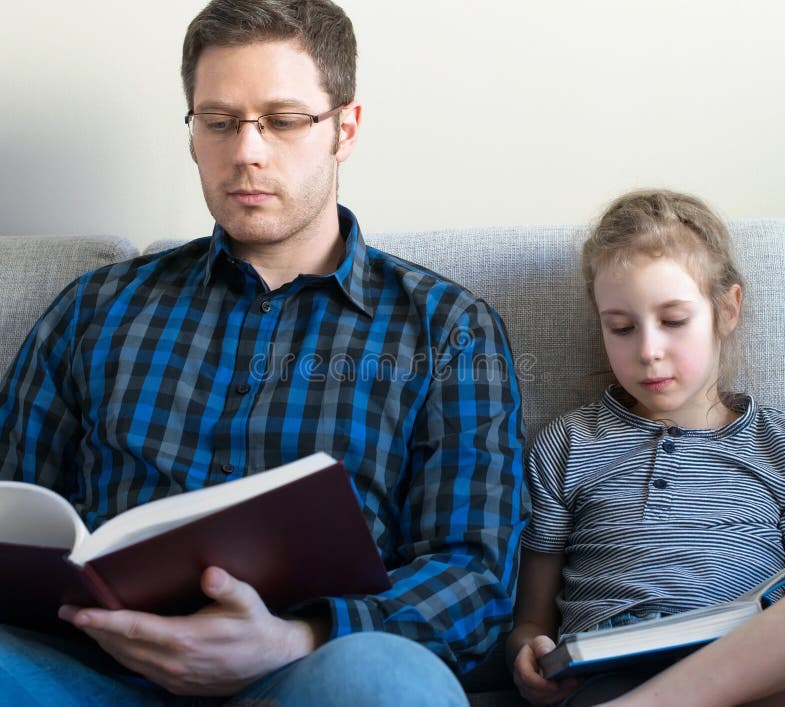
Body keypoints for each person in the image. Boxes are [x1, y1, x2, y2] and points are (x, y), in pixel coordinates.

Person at [0, 1, 527, 704]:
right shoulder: (95, 310)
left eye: (282, 121)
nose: (246, 150)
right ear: (193, 134)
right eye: (218, 122)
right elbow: (16, 513)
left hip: (308, 674)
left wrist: (294, 637)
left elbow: (474, 574)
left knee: (389, 681)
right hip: (90, 676)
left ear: (345, 129)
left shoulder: (448, 329)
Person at [506, 189, 785, 706]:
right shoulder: (569, 443)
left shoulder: (783, 445)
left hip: (748, 674)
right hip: (609, 673)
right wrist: (528, 654)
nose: (647, 351)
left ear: (727, 310)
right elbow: (532, 619)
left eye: (673, 321)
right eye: (621, 328)